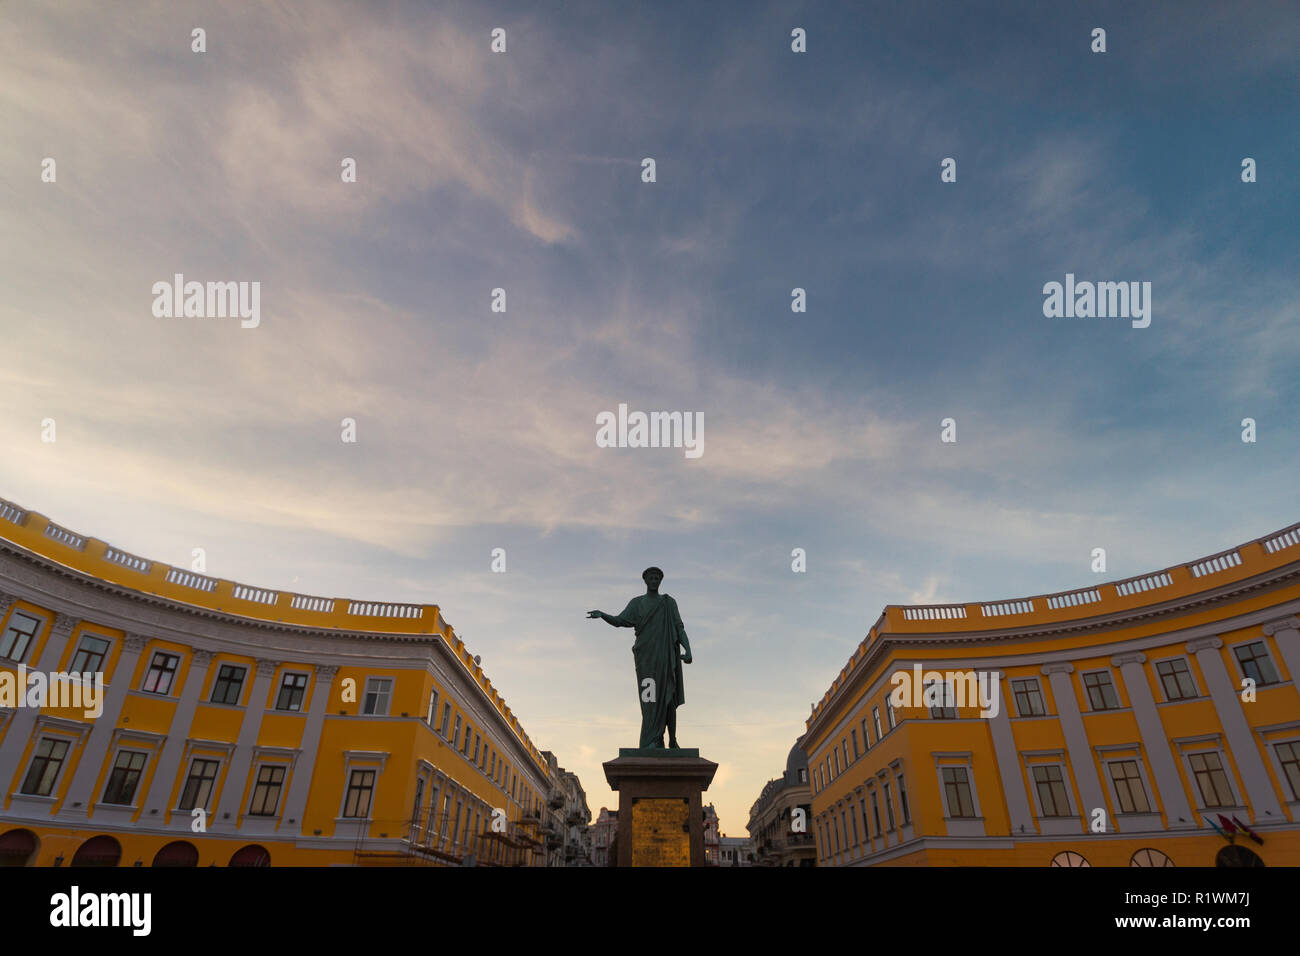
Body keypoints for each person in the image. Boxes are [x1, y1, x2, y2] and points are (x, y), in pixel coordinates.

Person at [587, 567, 693, 749]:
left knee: (668, 697)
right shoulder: (637, 603)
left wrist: (688, 649)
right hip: (646, 660)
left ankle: (672, 739)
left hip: (665, 657)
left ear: (660, 581)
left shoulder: (669, 603)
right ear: (645, 581)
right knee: (649, 699)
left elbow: (679, 627)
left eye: (657, 578)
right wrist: (603, 615)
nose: (654, 580)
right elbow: (620, 621)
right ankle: (653, 739)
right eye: (651, 577)